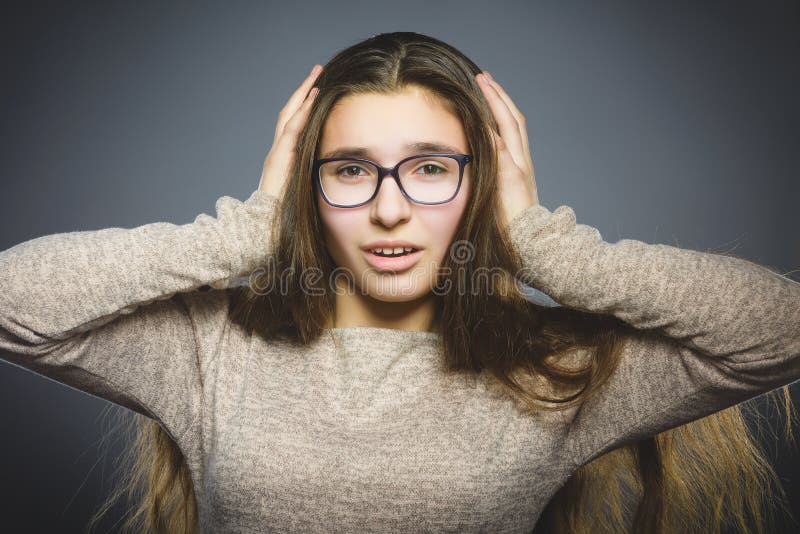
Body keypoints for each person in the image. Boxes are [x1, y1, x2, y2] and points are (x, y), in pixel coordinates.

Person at [0, 31, 798, 534]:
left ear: (481, 182)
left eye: (428, 169)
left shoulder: (559, 373)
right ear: (306, 189)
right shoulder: (209, 349)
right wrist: (243, 231)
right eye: (350, 170)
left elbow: (783, 328)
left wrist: (553, 251)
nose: (389, 209)